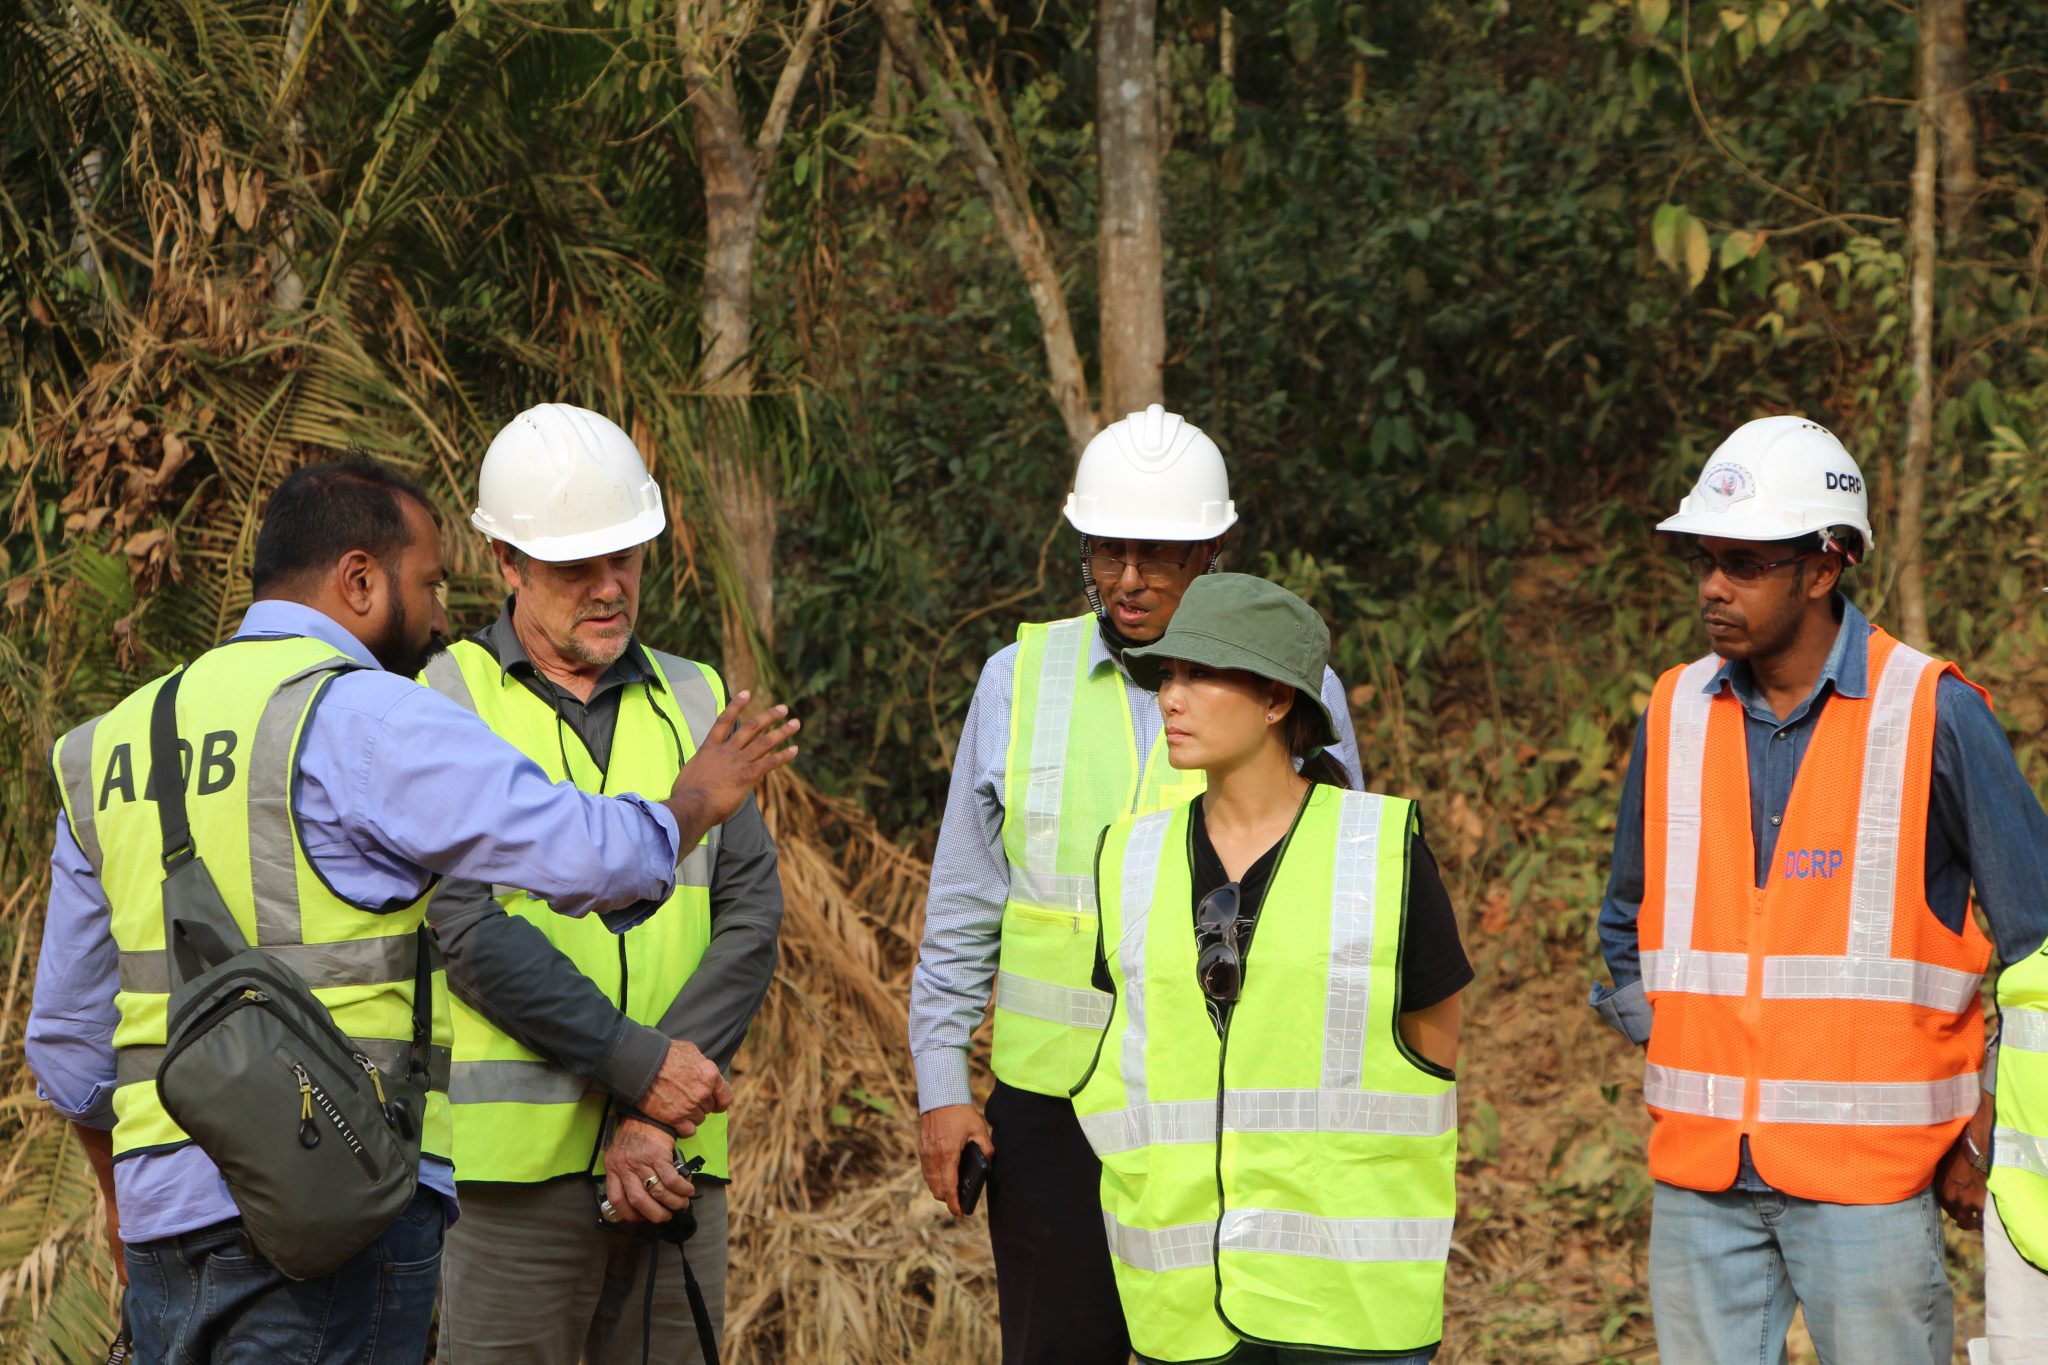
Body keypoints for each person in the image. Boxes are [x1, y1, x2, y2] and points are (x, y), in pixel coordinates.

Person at [24, 456, 797, 1364]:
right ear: (359, 579)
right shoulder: (369, 717)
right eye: (429, 583)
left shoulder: (102, 749)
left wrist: (124, 1200)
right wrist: (693, 806)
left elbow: (69, 1047)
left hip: (164, 1229)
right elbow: (586, 854)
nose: (437, 615)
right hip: (335, 1210)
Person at [908, 405, 1366, 1364]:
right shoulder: (1015, 679)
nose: (1127, 578)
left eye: (1158, 555)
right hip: (1052, 1118)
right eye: (1108, 549)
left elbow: (1344, 908)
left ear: (1216, 552)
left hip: (1232, 1121)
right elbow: (962, 903)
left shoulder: (1285, 686)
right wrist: (944, 1085)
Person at [1588, 416, 2048, 1365]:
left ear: (1824, 568)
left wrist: (1991, 1127)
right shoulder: (1675, 709)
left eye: (1744, 562)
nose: (1713, 585)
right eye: (1705, 560)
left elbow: (2037, 945)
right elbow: (1625, 921)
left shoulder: (1934, 710)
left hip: (1870, 1186)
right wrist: (1677, 1037)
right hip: (1701, 1184)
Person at [425, 405, 783, 1364]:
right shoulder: (442, 699)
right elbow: (464, 927)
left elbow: (749, 914)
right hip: (511, 1184)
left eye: (623, 555)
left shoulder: (697, 694)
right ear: (505, 560)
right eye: (574, 565)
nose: (608, 586)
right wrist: (640, 1068)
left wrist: (654, 1109)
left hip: (675, 1162)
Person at [1074, 573, 1470, 1364]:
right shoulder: (1128, 857)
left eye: (1201, 673)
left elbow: (1432, 1049)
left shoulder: (1379, 849)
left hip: (1350, 1310)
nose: (1171, 698)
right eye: (1168, 674)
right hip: (1179, 1307)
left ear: (1277, 700)